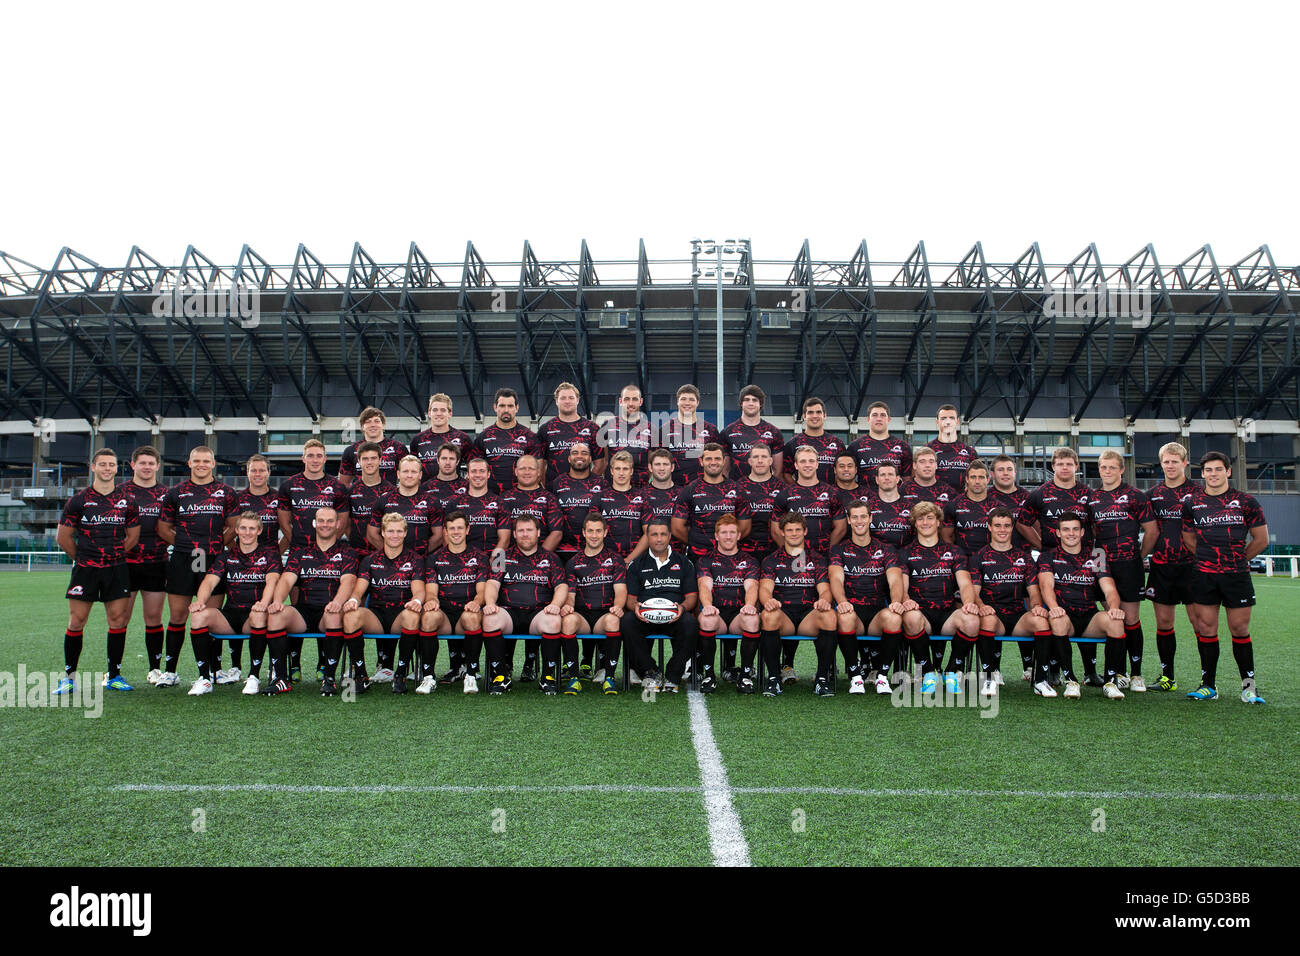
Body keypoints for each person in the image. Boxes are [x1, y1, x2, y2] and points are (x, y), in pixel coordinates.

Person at [1179, 451, 1269, 704]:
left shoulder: (1246, 501)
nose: (1213, 474)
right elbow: (1188, 538)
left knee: (1239, 629)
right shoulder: (1192, 503)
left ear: (1228, 471)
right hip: (1204, 576)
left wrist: (1237, 561)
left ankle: (1249, 687)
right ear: (1202, 473)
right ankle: (1208, 686)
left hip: (1236, 576)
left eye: (1218, 469)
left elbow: (1261, 540)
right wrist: (1210, 560)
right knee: (1206, 629)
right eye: (1208, 470)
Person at [54, 448, 140, 695]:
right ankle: (69, 677)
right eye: (102, 464)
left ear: (116, 469)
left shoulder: (127, 500)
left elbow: (132, 536)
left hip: (116, 568)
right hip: (86, 570)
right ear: (93, 467)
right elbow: (64, 537)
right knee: (77, 621)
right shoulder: (78, 500)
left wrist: (112, 555)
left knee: (117, 620)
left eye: (111, 465)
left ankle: (114, 675)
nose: (107, 469)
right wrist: (83, 558)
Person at [156, 446, 240, 689]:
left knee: (210, 617)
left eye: (206, 461)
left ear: (213, 464)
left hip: (213, 560)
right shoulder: (176, 493)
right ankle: (170, 672)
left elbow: (234, 527)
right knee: (177, 617)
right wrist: (186, 546)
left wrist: (210, 547)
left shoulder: (226, 492)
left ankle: (214, 671)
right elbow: (163, 528)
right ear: (189, 463)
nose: (201, 464)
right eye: (197, 461)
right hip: (183, 560)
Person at [1016, 447, 1100, 684]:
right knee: (1054, 611)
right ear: (1053, 466)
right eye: (1060, 463)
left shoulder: (1088, 493)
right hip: (1052, 561)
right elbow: (1022, 523)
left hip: (1084, 560)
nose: (1064, 467)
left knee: (1086, 608)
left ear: (1076, 467)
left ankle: (1090, 671)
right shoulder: (1040, 493)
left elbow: (1096, 524)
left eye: (1069, 464)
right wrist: (1042, 545)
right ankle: (1053, 669)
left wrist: (1092, 549)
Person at [276, 439, 351, 680]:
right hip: (301, 554)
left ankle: (323, 665)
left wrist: (327, 548)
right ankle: (294, 665)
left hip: (329, 554)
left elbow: (342, 521)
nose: (315, 459)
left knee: (327, 604)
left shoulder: (337, 487)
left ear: (325, 458)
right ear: (303, 458)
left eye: (319, 455)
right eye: (311, 455)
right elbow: (284, 521)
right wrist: (302, 544)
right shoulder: (289, 486)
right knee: (299, 606)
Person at [266, 506, 358, 696]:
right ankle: (281, 679)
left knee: (333, 615)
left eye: (330, 521)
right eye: (321, 521)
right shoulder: (300, 552)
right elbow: (286, 580)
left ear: (338, 524)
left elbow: (348, 582)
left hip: (330, 611)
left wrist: (338, 602)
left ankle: (329, 678)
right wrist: (277, 601)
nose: (325, 525)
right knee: (276, 615)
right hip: (304, 612)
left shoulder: (348, 552)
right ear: (315, 524)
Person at [1087, 449, 1158, 691]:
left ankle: (1137, 674)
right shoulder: (1092, 498)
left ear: (1121, 469)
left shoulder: (1136, 496)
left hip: (1129, 561)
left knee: (1131, 619)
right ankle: (1119, 672)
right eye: (1103, 467)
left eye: (1111, 467)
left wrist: (1139, 556)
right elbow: (1093, 532)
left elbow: (1152, 531)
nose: (1107, 471)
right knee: (1111, 616)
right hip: (1101, 559)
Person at [1036, 511, 1127, 700]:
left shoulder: (1096, 555)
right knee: (1058, 618)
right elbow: (1046, 587)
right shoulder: (1048, 556)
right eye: (1066, 529)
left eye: (1075, 529)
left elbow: (1109, 589)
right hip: (1064, 616)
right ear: (1058, 533)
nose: (1071, 533)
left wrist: (1114, 607)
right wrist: (1053, 606)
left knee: (1115, 621)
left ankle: (1110, 682)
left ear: (1082, 532)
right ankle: (1071, 680)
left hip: (1089, 617)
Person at [188, 511, 280, 696]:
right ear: (236, 530)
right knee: (198, 617)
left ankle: (253, 677)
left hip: (253, 615)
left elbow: (272, 581)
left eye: (252, 528)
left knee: (259, 614)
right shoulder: (226, 556)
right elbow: (209, 581)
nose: (247, 532)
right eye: (243, 528)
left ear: (259, 531)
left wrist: (263, 602)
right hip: (229, 616)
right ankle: (205, 679)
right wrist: (199, 601)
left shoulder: (270, 555)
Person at [897, 501, 981, 696]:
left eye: (930, 518)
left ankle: (952, 670)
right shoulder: (905, 553)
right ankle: (927, 673)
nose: (925, 522)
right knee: (910, 616)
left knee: (971, 620)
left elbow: (965, 584)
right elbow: (902, 585)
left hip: (947, 613)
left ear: (938, 522)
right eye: (920, 518)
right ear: (915, 523)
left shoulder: (954, 552)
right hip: (921, 613)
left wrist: (969, 604)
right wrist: (906, 599)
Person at [368, 456, 441, 678]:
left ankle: (416, 667)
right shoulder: (384, 500)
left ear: (420, 475)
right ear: (397, 474)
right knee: (385, 607)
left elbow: (438, 535)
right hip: (389, 568)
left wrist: (416, 557)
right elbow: (372, 532)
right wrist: (391, 554)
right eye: (405, 471)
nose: (409, 475)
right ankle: (386, 665)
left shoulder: (431, 501)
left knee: (417, 611)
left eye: (413, 472)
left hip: (420, 566)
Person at [480, 515, 568, 694]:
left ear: (538, 533)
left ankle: (548, 676)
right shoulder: (501, 556)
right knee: (489, 619)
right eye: (520, 530)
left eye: (529, 530)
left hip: (538, 612)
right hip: (509, 612)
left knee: (553, 621)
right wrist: (489, 603)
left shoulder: (551, 558)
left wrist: (556, 604)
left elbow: (561, 586)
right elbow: (492, 584)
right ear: (514, 534)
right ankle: (501, 676)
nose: (525, 534)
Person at [829, 499, 905, 696]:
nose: (859, 521)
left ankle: (882, 677)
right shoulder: (839, 549)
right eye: (855, 517)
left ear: (871, 518)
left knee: (894, 617)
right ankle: (855, 677)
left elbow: (895, 580)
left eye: (863, 516)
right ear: (848, 520)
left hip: (876, 612)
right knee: (844, 617)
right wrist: (842, 601)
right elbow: (836, 579)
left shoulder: (886, 549)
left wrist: (896, 601)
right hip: (852, 611)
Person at [344, 513, 426, 694]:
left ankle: (400, 674)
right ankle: (361, 676)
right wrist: (353, 600)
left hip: (401, 615)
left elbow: (419, 590)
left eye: (398, 531)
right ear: (382, 532)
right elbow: (359, 590)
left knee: (413, 615)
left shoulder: (415, 559)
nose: (394, 535)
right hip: (377, 617)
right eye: (390, 531)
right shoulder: (370, 560)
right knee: (350, 616)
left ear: (405, 533)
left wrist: (417, 600)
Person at [758, 513, 837, 697]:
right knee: (768, 615)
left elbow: (825, 589)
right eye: (789, 530)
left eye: (797, 530)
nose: (794, 534)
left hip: (808, 615)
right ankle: (774, 679)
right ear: (782, 533)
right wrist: (768, 600)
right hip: (783, 614)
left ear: (805, 531)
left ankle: (822, 679)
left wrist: (824, 599)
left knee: (829, 616)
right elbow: (764, 588)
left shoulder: (817, 559)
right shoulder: (772, 559)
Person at [970, 508, 1047, 695]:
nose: (1002, 530)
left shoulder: (1024, 557)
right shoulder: (978, 557)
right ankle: (988, 679)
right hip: (993, 615)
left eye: (1006, 525)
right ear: (989, 527)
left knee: (1041, 621)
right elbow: (973, 592)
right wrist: (981, 606)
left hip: (1017, 615)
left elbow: (1034, 592)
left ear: (1012, 528)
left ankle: (1040, 681)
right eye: (997, 525)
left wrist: (1036, 607)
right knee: (987, 620)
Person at [621, 520, 700, 693]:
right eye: (654, 534)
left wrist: (683, 607)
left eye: (663, 534)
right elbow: (630, 599)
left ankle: (673, 674)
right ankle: (651, 671)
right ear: (647, 537)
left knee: (691, 623)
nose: (659, 539)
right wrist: (635, 607)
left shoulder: (684, 563)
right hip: (645, 616)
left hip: (674, 615)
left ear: (670, 536)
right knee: (627, 621)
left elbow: (692, 597)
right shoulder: (637, 564)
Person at [1145, 442, 1197, 691]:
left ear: (1185, 463)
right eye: (1166, 461)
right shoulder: (1153, 494)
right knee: (1164, 623)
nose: (1170, 465)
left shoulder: (1199, 492)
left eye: (1175, 461)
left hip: (1193, 567)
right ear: (1161, 463)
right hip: (1162, 566)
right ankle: (1168, 678)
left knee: (1201, 624)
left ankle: (1206, 680)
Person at [419, 510, 488, 694]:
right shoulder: (434, 558)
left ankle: (471, 675)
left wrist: (476, 601)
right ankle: (428, 677)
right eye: (451, 528)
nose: (455, 532)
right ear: (445, 532)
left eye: (459, 528)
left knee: (473, 617)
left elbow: (482, 591)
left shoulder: (480, 557)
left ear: (467, 530)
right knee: (428, 617)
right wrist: (431, 601)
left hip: (466, 612)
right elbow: (431, 591)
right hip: (445, 614)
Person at [560, 512, 627, 695]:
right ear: (583, 533)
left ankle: (609, 678)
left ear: (605, 533)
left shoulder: (615, 560)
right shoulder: (573, 562)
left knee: (614, 621)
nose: (594, 535)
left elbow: (621, 591)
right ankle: (574, 678)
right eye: (590, 531)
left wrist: (618, 606)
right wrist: (568, 605)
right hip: (582, 616)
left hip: (604, 615)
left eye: (598, 531)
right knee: (568, 621)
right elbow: (571, 594)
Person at [696, 514, 761, 691]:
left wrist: (749, 605)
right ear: (716, 536)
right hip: (717, 613)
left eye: (732, 532)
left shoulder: (749, 561)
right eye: (724, 532)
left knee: (752, 619)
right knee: (706, 619)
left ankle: (745, 676)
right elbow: (705, 585)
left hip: (738, 614)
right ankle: (709, 676)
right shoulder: (706, 560)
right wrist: (708, 605)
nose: (728, 536)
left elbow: (752, 586)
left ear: (739, 535)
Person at [121, 445, 169, 685]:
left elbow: (173, 527)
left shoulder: (166, 494)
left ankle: (155, 669)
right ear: (133, 465)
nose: (147, 467)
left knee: (153, 617)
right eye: (142, 463)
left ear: (158, 466)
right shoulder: (120, 492)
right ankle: (114, 671)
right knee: (120, 618)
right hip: (124, 564)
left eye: (151, 463)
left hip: (156, 562)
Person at [672, 442, 751, 561]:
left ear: (724, 461)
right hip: (698, 556)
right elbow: (677, 528)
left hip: (729, 557)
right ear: (701, 461)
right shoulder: (689, 490)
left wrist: (727, 543)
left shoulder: (737, 490)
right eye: (708, 458)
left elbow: (744, 527)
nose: (713, 462)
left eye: (717, 458)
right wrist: (697, 542)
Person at [466, 388, 541, 493]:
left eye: (510, 406)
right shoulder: (483, 437)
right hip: (491, 498)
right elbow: (473, 470)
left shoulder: (530, 437)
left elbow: (538, 471)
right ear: (495, 407)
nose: (506, 410)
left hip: (520, 497)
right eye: (502, 406)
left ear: (517, 408)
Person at [538, 381, 605, 483]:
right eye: (563, 398)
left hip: (583, 492)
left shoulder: (592, 429)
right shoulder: (545, 429)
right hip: (554, 493)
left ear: (577, 400)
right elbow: (540, 465)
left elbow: (600, 464)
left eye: (571, 398)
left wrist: (587, 485)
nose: (567, 401)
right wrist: (548, 488)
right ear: (556, 401)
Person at [550, 442, 605, 559]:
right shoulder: (557, 483)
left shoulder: (601, 484)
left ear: (590, 459)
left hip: (593, 549)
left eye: (584, 453)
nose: (579, 456)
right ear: (569, 459)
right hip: (562, 549)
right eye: (575, 453)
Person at [498, 454, 563, 552]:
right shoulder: (504, 499)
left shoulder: (550, 499)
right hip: (511, 558)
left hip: (541, 559)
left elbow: (556, 533)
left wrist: (539, 558)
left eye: (531, 469)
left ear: (538, 472)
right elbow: (503, 537)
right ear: (516, 472)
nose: (527, 472)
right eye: (522, 468)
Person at [595, 451, 652, 562]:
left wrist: (629, 560)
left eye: (625, 469)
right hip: (605, 560)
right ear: (611, 471)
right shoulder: (599, 498)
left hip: (636, 561)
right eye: (617, 469)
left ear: (631, 471)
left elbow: (649, 533)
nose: (621, 473)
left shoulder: (643, 497)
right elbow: (593, 532)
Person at [721, 384, 784, 478]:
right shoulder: (727, 432)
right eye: (747, 400)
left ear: (761, 404)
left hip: (764, 490)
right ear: (741, 403)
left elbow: (777, 471)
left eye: (754, 400)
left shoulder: (774, 432)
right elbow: (724, 471)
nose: (751, 403)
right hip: (736, 490)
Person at [346, 442, 396, 559]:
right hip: (358, 554)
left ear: (380, 460)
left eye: (373, 458)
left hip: (386, 554)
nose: (369, 462)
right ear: (358, 461)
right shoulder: (350, 492)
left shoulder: (392, 491)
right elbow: (347, 524)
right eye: (365, 459)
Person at [337, 406, 409, 487]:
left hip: (389, 497)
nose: (373, 425)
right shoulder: (351, 450)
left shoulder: (398, 448)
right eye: (368, 422)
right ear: (362, 427)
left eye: (377, 421)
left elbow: (409, 477)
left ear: (383, 425)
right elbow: (343, 483)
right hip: (360, 497)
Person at [663, 383, 719, 486]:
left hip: (704, 487)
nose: (687, 403)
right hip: (673, 488)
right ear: (677, 402)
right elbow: (659, 461)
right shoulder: (664, 430)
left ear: (697, 402)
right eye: (683, 399)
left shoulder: (711, 430)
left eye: (691, 399)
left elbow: (718, 461)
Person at [408, 393, 474, 481]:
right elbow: (411, 468)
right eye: (435, 410)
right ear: (429, 413)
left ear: (450, 413)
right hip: (424, 492)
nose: (438, 413)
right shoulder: (418, 440)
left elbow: (474, 465)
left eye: (443, 410)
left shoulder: (462, 438)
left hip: (454, 492)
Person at [848, 401, 912, 489]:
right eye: (874, 415)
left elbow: (907, 480)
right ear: (868, 419)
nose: (879, 418)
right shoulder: (855, 446)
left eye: (883, 415)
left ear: (889, 419)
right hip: (865, 500)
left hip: (893, 500)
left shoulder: (903, 447)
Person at [782, 396, 847, 484]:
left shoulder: (837, 444)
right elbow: (786, 474)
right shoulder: (793, 444)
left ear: (824, 415)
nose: (815, 416)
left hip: (831, 496)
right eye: (810, 412)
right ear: (804, 416)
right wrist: (798, 491)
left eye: (818, 412)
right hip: (803, 496)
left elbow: (843, 472)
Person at [735, 443, 782, 562]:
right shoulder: (737, 487)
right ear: (750, 461)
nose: (760, 461)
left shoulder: (782, 488)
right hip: (744, 550)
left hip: (775, 549)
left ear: (771, 461)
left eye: (764, 457)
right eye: (756, 457)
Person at [942, 459, 997, 554]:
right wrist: (958, 557)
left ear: (988, 479)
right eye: (973, 477)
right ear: (967, 479)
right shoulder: (953, 505)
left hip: (990, 561)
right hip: (963, 562)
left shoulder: (997, 507)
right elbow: (946, 537)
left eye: (981, 477)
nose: (977, 481)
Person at [603, 383, 654, 483]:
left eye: (635, 399)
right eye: (627, 399)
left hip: (640, 490)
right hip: (612, 490)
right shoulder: (608, 426)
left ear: (641, 401)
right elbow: (604, 462)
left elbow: (650, 464)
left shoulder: (651, 429)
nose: (630, 403)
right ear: (620, 401)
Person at [928, 404, 979, 492]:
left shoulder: (970, 452)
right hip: (935, 502)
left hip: (962, 502)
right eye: (943, 418)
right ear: (937, 422)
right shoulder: (928, 450)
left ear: (957, 421)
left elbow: (978, 478)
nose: (948, 422)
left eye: (951, 418)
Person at [866, 462, 912, 548]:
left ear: (897, 479)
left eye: (890, 474)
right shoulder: (867, 508)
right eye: (883, 475)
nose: (886, 478)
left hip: (903, 557)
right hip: (875, 556)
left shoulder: (911, 508)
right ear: (877, 479)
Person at [420, 444, 468, 512]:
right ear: (438, 460)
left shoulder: (468, 487)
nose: (447, 462)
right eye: (444, 458)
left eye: (451, 459)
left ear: (457, 462)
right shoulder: (425, 488)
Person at [642, 449, 681, 525]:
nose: (662, 468)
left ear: (672, 467)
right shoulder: (642, 495)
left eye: (665, 464)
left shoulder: (682, 494)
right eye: (657, 464)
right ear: (650, 467)